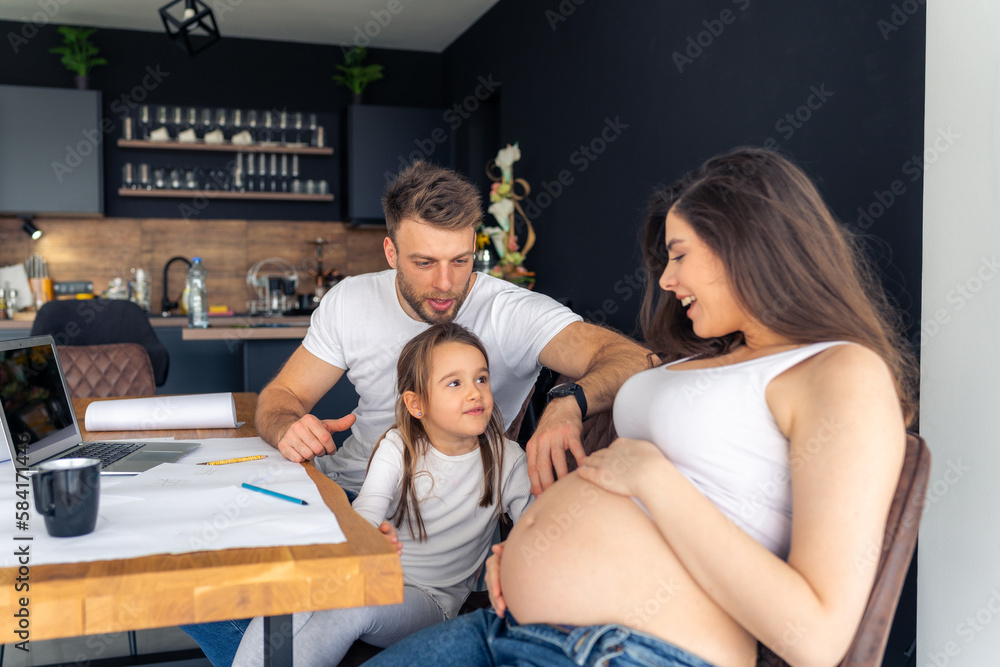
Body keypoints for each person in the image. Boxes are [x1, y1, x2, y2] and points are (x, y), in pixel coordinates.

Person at [361, 146, 919, 667]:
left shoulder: (840, 372)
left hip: (626, 650)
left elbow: (815, 638)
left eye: (678, 256)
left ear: (747, 244)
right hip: (511, 626)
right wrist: (529, 536)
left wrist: (654, 478)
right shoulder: (700, 358)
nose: (668, 280)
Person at [254, 160, 649, 496]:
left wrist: (568, 402)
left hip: (444, 516)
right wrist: (288, 426)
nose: (445, 284)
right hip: (345, 487)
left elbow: (636, 360)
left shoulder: (512, 312)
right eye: (425, 263)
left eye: (460, 261)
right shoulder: (350, 300)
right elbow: (283, 395)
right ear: (391, 252)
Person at [231, 323, 533, 666]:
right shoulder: (398, 447)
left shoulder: (508, 459)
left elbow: (536, 529)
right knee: (291, 590)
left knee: (351, 607)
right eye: (454, 383)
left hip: (429, 602)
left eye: (481, 378)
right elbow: (369, 506)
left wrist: (513, 555)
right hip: (373, 572)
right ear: (416, 404)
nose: (475, 392)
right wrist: (367, 537)